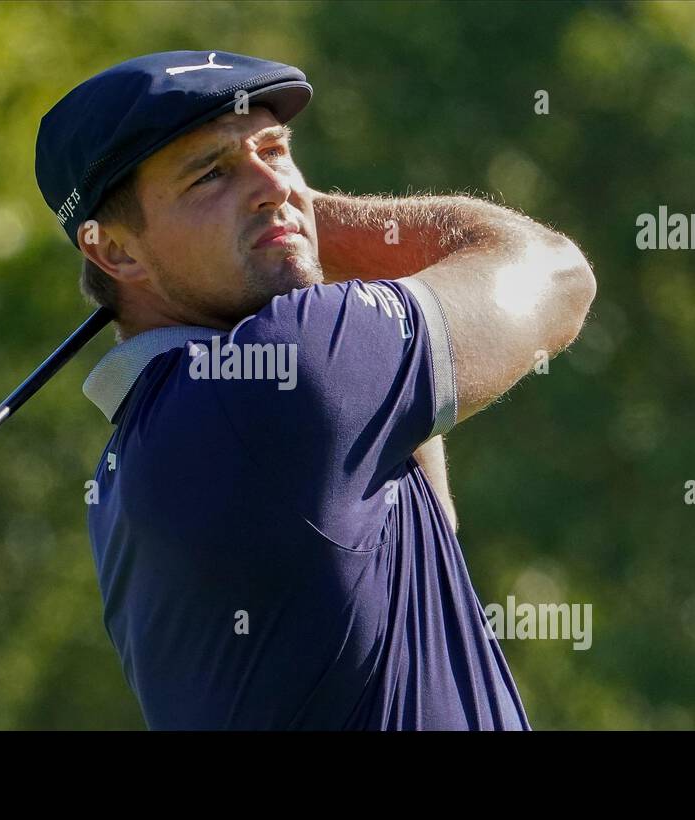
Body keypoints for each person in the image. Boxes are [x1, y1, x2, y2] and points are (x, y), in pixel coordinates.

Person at [35, 50, 595, 729]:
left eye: (275, 151)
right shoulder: (284, 375)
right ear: (118, 252)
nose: (275, 185)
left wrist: (269, 221)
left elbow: (424, 523)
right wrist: (298, 217)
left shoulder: (133, 461)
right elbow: (558, 274)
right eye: (210, 174)